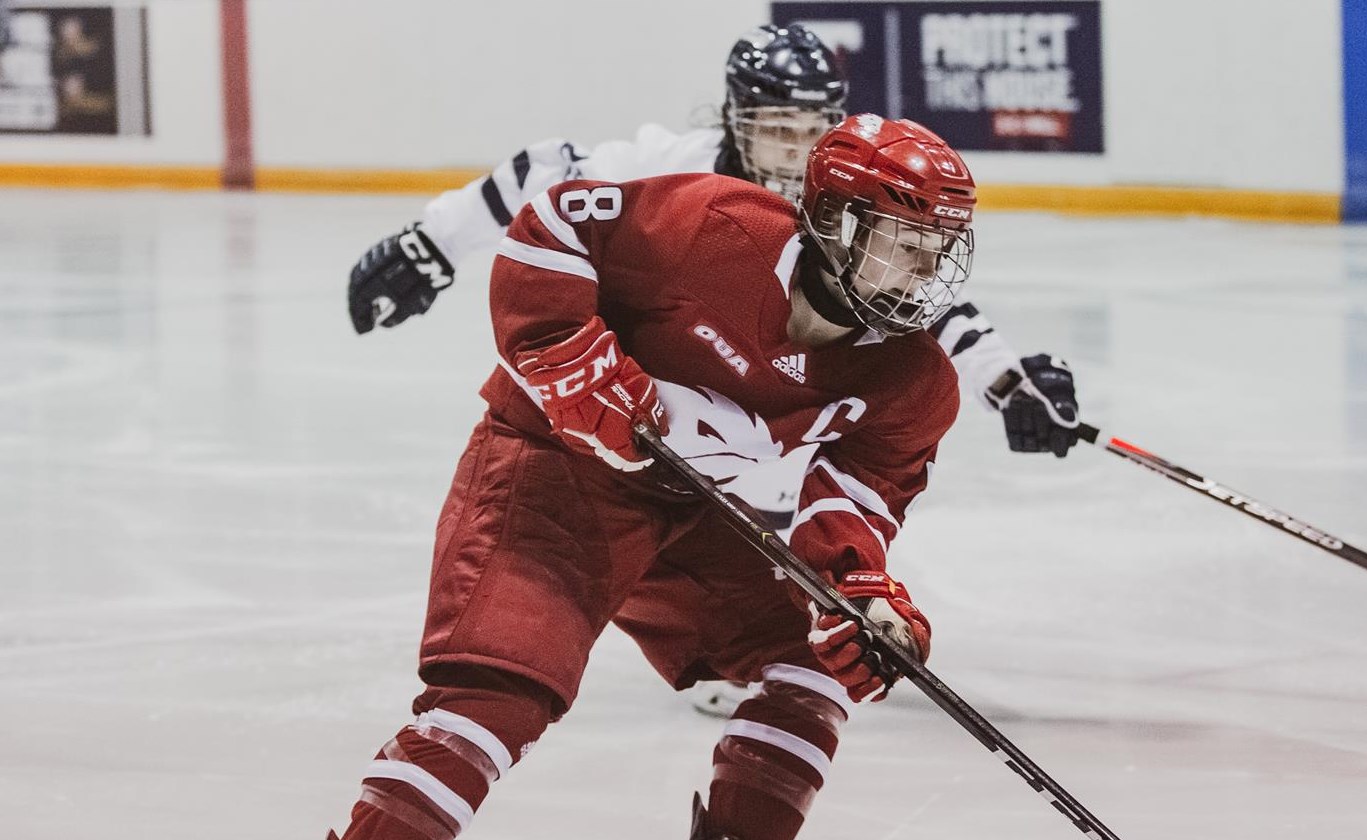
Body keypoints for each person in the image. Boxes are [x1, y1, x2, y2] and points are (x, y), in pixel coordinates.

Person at [256, 114, 978, 840]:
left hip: (696, 510)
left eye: (937, 249)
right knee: (503, 690)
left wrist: (861, 596)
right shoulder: (715, 226)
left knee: (810, 658)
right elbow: (551, 225)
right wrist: (565, 357)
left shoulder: (913, 379)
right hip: (553, 474)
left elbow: (856, 497)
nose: (924, 272)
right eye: (903, 243)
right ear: (833, 225)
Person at [347, 23, 1073, 722]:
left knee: (772, 454)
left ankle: (738, 639)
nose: (793, 152)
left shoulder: (841, 193)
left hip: (732, 396)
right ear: (732, 118)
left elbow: (903, 303)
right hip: (624, 377)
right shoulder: (675, 170)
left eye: (808, 129)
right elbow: (548, 173)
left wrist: (1005, 381)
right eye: (774, 128)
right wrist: (431, 243)